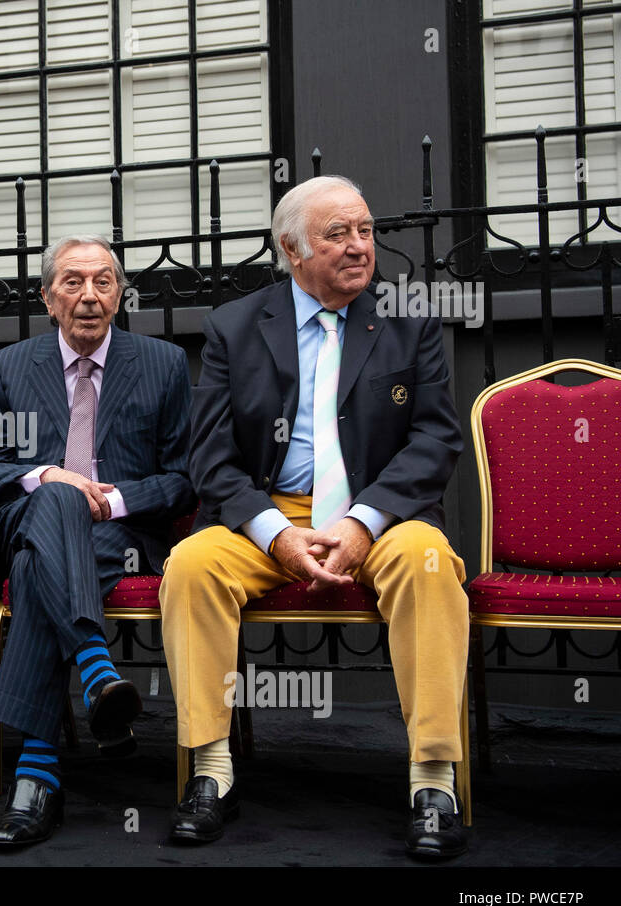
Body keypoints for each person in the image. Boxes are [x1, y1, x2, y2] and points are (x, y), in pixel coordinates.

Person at [159, 175, 469, 859]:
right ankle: (210, 770)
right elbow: (209, 457)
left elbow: (435, 438)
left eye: (365, 230)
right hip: (271, 513)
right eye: (339, 235)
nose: (360, 247)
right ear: (292, 250)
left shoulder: (408, 318)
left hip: (380, 512)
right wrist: (274, 531)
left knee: (429, 563)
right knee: (191, 564)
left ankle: (433, 781)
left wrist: (363, 522)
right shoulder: (235, 327)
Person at [0, 235, 193, 847]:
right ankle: (96, 672)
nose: (88, 296)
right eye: (72, 282)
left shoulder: (164, 364)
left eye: (102, 282)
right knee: (57, 500)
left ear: (120, 294)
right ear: (47, 297)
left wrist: (111, 499)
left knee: (49, 563)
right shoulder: (12, 367)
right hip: (28, 520)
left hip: (116, 535)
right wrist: (49, 476)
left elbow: (182, 479)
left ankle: (36, 776)